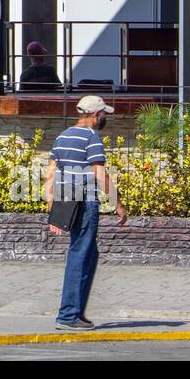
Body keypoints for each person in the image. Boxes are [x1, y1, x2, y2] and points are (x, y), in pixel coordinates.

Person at [44, 95, 127, 331]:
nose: (104, 119)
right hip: (85, 202)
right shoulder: (92, 138)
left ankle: (75, 313)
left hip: (67, 201)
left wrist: (52, 205)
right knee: (80, 255)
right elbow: (100, 175)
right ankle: (68, 315)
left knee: (88, 254)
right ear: (96, 115)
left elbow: (50, 174)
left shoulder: (62, 136)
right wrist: (117, 204)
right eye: (104, 115)